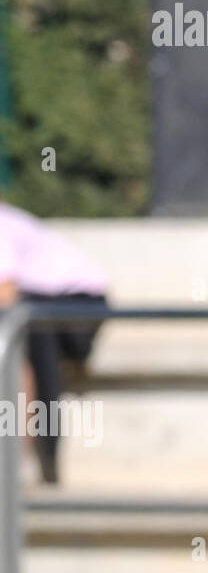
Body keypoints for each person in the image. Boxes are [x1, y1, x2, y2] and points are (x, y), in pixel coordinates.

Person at [0, 200, 110, 486]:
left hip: (80, 308)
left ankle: (42, 454)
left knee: (32, 333)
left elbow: (6, 294)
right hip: (49, 306)